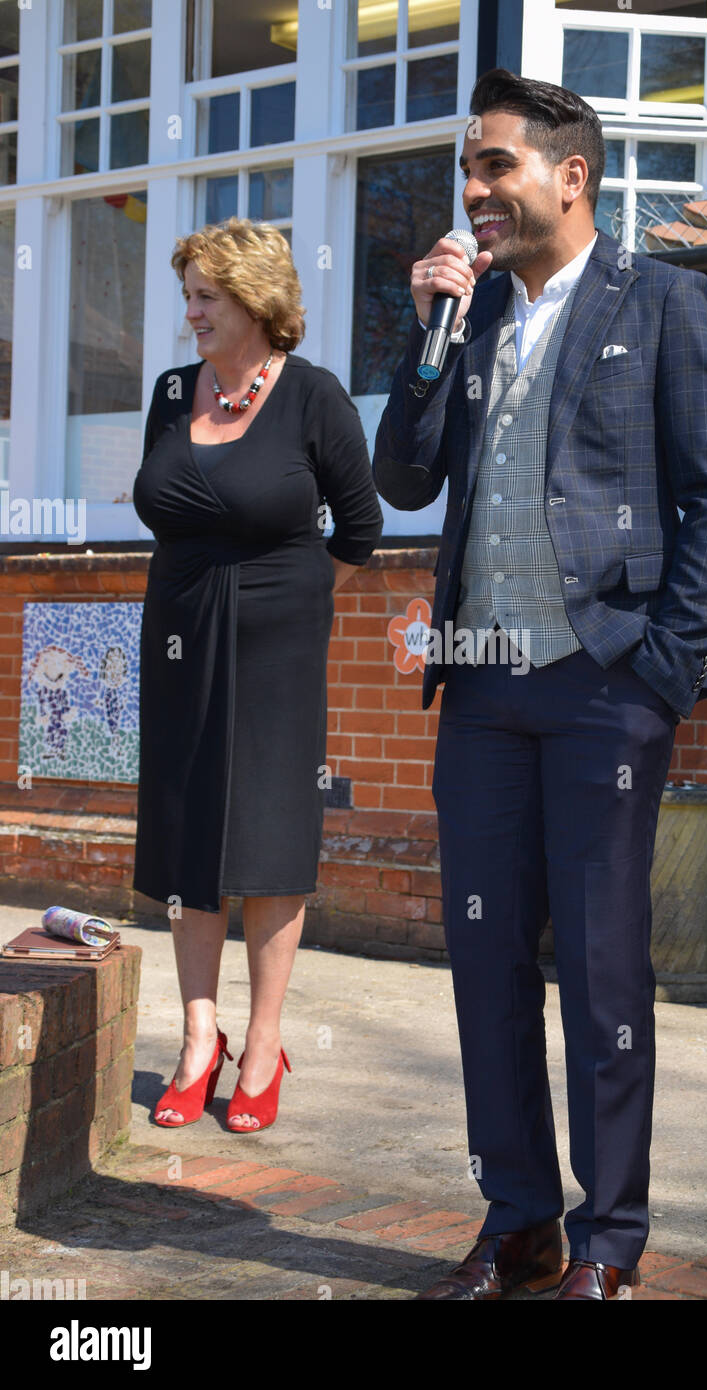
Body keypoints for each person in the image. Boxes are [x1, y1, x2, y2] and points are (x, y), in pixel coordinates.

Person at [373, 70, 707, 1300]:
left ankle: (609, 1241)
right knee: (484, 966)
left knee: (600, 970)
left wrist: (665, 672)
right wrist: (423, 328)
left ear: (569, 176)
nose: (474, 192)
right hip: (482, 688)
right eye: (468, 171)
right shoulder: (468, 315)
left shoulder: (666, 303)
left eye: (495, 167)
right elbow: (403, 481)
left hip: (603, 684)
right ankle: (518, 1219)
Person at [133, 217, 382, 1133]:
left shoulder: (315, 398)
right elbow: (161, 501)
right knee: (185, 833)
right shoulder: (169, 392)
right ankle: (198, 1039)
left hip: (276, 649)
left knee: (271, 840)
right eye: (188, 295)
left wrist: (290, 603)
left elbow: (357, 534)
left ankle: (264, 1041)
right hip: (176, 637)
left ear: (256, 301)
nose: (191, 313)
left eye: (206, 297)